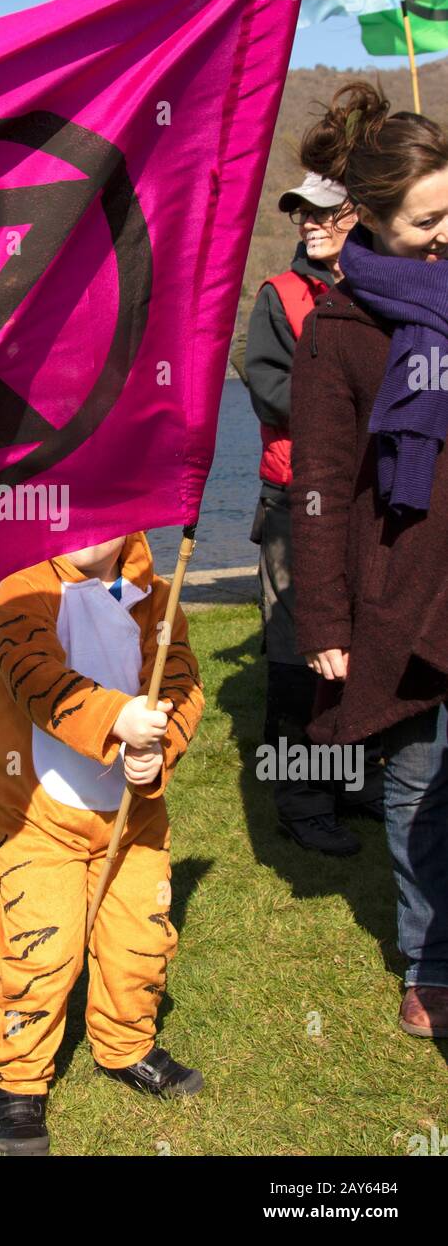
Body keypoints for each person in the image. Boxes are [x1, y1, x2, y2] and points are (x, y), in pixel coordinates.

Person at [290, 80, 448, 1039]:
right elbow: (317, 490)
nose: (445, 233)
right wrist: (326, 625)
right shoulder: (339, 332)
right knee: (420, 780)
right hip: (403, 592)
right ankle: (431, 967)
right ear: (376, 220)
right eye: (428, 218)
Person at [0, 531, 205, 1155]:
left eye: (101, 510)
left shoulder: (160, 597)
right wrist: (116, 719)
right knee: (40, 949)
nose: (81, 526)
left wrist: (159, 749)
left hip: (133, 817)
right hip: (37, 817)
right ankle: (19, 1083)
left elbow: (184, 684)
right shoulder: (21, 587)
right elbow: (32, 674)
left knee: (139, 939)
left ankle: (126, 1043)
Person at [243, 175, 384, 854]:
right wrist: (345, 404)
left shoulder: (382, 286)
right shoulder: (280, 296)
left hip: (371, 501)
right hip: (297, 501)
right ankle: (301, 802)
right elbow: (268, 387)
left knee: (356, 650)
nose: (312, 223)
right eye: (302, 213)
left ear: (359, 214)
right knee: (300, 659)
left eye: (326, 212)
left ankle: (349, 779)